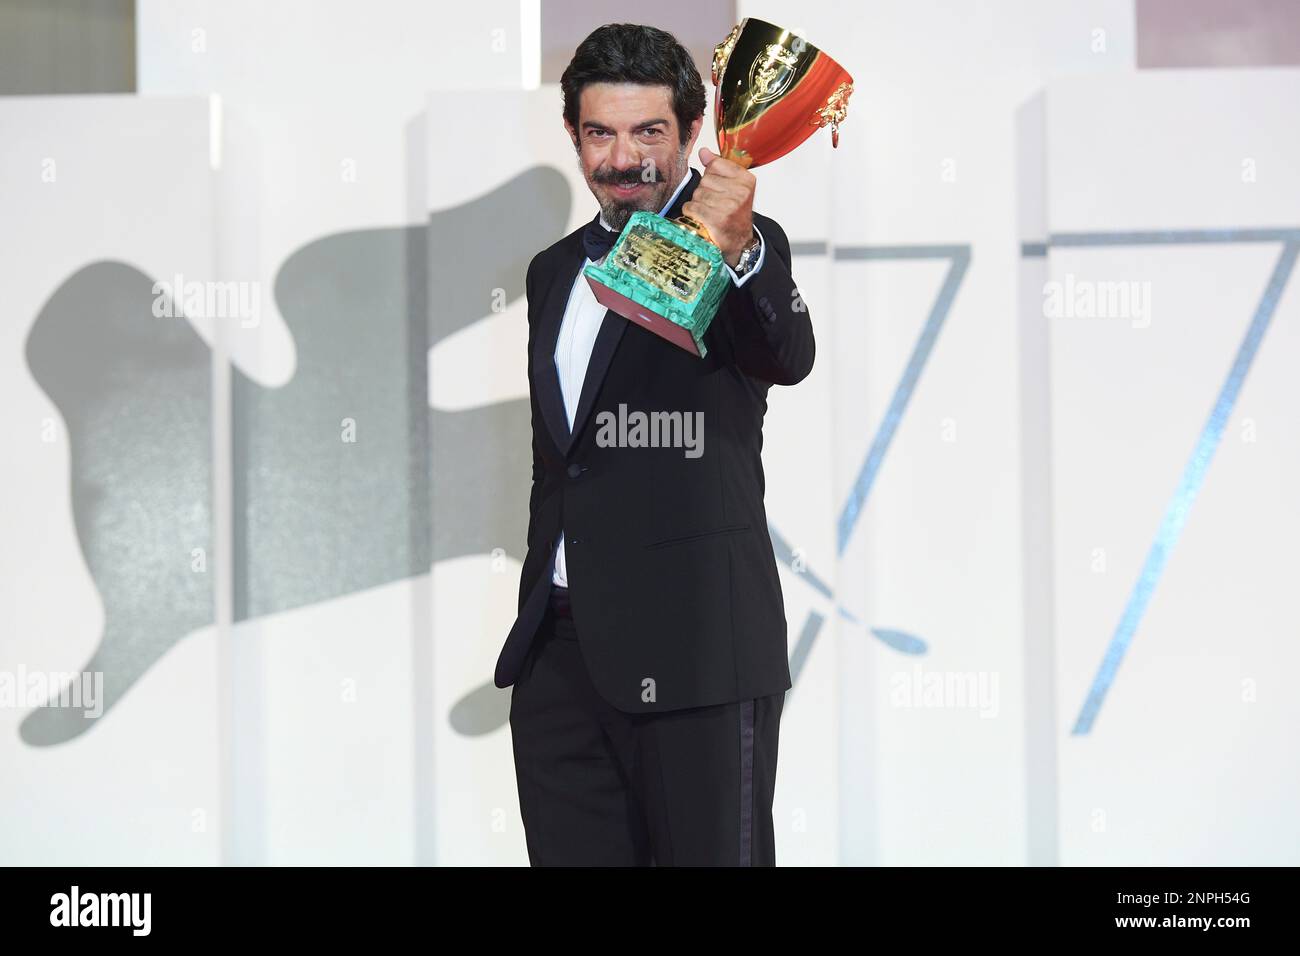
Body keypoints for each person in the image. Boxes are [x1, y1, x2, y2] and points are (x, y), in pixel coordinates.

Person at [493, 22, 814, 866]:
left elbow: (787, 354)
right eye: (601, 132)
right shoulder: (553, 272)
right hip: (560, 660)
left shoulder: (740, 248)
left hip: (698, 652)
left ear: (691, 135)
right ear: (573, 135)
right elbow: (565, 460)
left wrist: (739, 247)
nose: (624, 157)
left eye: (649, 133)